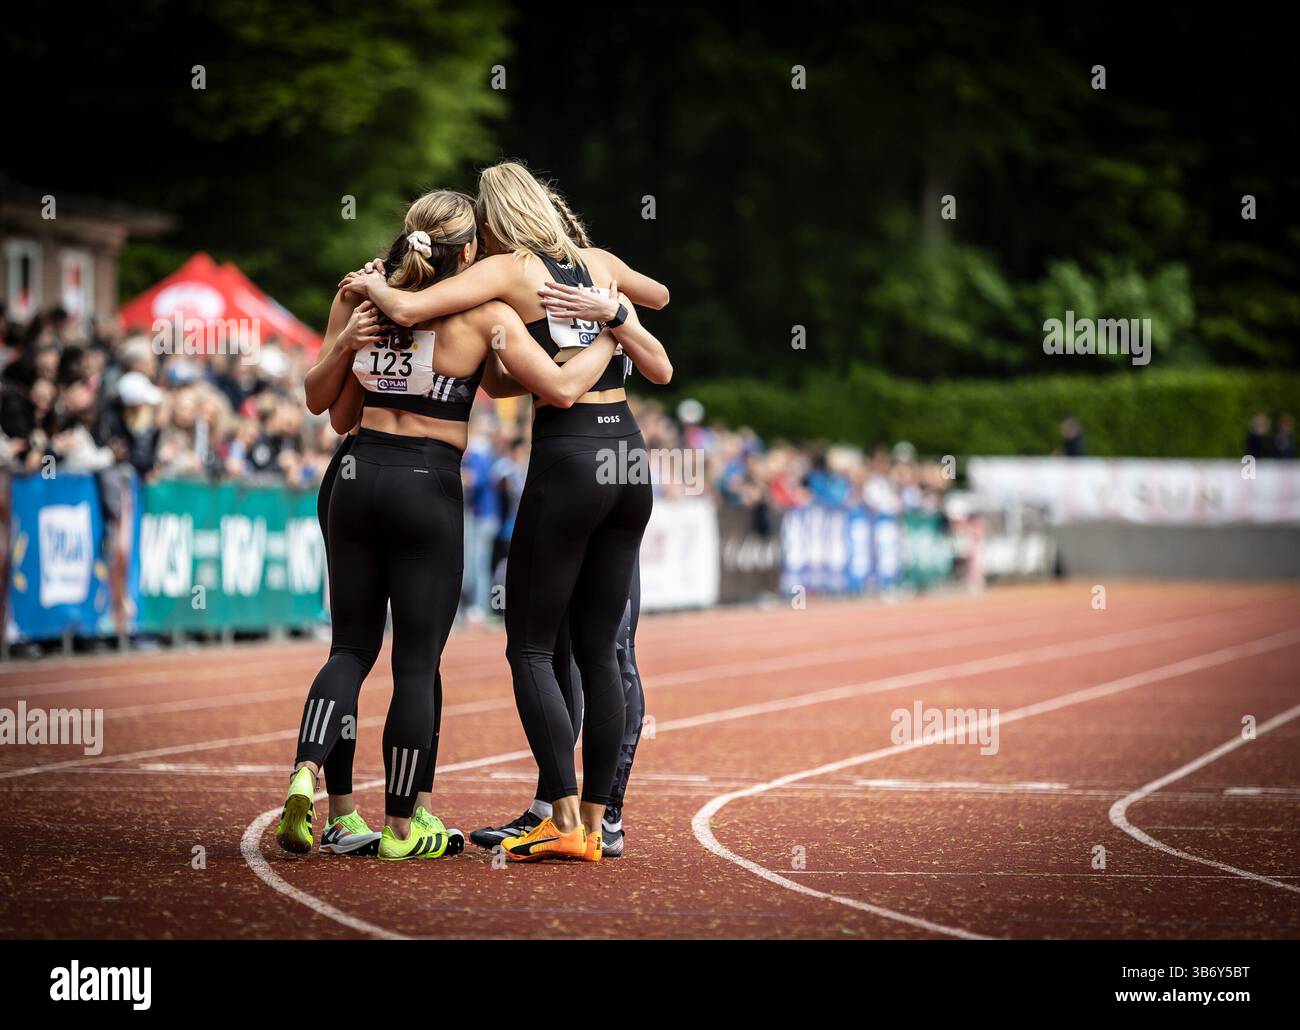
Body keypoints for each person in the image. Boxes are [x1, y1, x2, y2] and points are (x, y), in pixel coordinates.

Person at [277, 187, 630, 860]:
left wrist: (353, 345)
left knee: (349, 650)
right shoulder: (482, 312)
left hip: (353, 477)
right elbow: (551, 388)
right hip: (426, 487)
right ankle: (405, 830)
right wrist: (610, 333)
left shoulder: (361, 295)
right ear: (469, 251)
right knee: (415, 665)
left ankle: (313, 780)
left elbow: (330, 409)